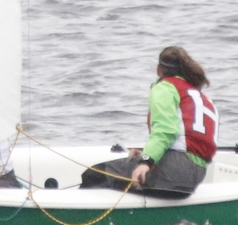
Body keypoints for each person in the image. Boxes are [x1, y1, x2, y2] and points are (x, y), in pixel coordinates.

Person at [80, 45, 216, 198]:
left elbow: (166, 130)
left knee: (94, 175)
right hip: (197, 174)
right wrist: (147, 153)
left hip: (176, 171)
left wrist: (146, 161)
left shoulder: (165, 88)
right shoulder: (201, 97)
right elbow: (187, 142)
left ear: (159, 69)